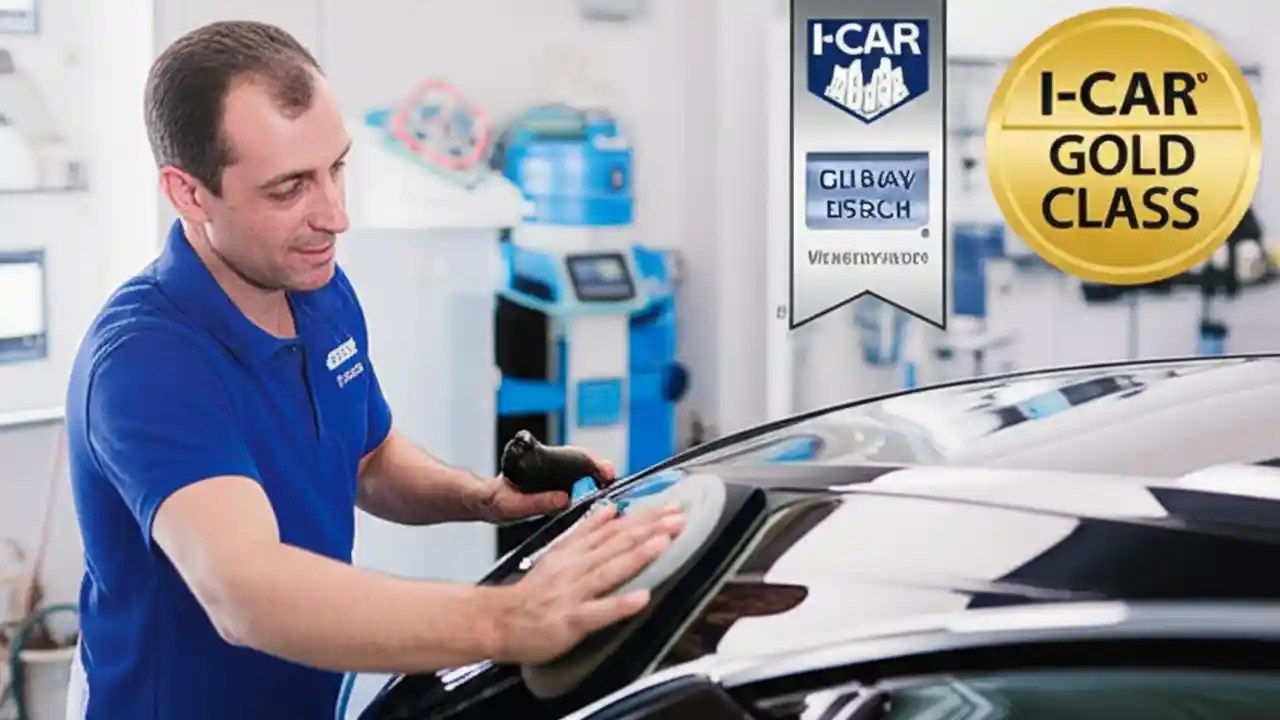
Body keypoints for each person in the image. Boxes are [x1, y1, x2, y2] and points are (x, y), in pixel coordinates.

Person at [62, 20, 684, 720]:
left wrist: (476, 497)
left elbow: (367, 457)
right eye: (289, 187)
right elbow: (245, 592)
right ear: (188, 194)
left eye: (336, 167)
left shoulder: (316, 288)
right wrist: (508, 620)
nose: (335, 214)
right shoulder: (146, 360)